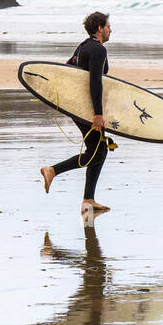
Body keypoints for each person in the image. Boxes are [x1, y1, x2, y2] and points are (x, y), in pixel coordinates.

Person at [41, 11, 114, 222]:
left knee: (98, 149)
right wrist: (97, 114)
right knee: (97, 151)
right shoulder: (98, 49)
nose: (111, 29)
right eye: (108, 25)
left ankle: (88, 200)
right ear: (99, 28)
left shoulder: (83, 47)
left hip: (77, 106)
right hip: (86, 109)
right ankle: (52, 170)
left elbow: (68, 71)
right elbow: (95, 82)